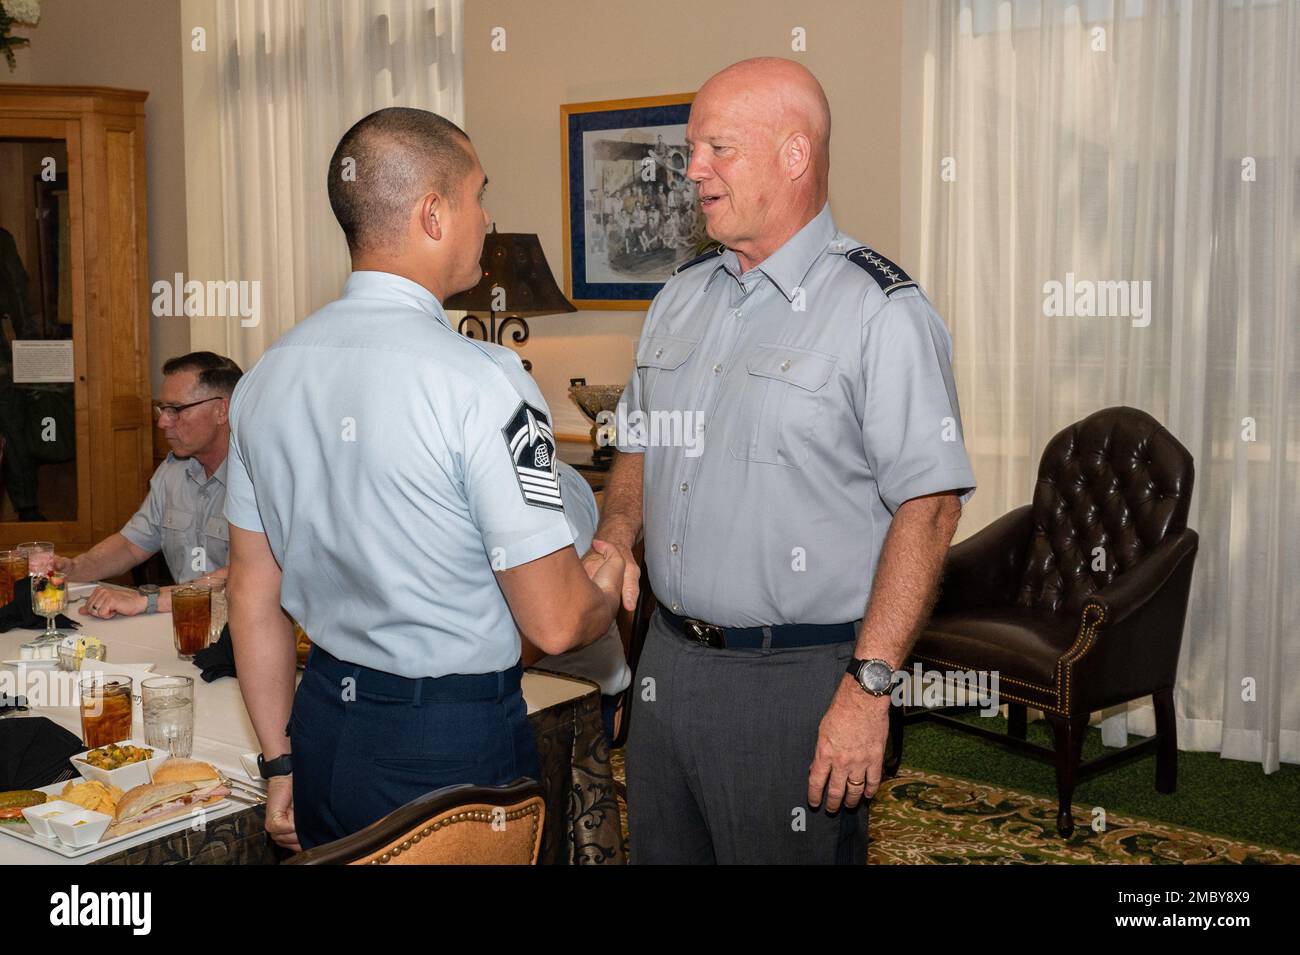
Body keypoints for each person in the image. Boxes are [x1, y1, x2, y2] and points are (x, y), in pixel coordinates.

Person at [596, 57, 977, 864]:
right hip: (667, 662)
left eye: (716, 149)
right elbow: (638, 441)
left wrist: (869, 689)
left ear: (795, 155)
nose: (690, 168)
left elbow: (932, 506)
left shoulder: (881, 312)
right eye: (691, 148)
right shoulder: (678, 297)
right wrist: (617, 531)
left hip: (795, 677)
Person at [223, 107, 626, 852]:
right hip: (446, 743)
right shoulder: (485, 381)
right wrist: (607, 578)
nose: (488, 215)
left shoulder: (266, 376)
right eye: (479, 193)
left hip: (321, 725)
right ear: (433, 213)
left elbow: (251, 593)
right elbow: (557, 622)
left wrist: (279, 759)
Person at [55, 352, 243, 618]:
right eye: (162, 409)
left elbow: (247, 572)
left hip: (242, 631)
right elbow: (131, 545)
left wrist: (148, 600)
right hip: (183, 622)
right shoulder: (172, 472)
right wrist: (74, 569)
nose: (163, 421)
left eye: (176, 410)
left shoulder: (258, 477)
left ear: (221, 410)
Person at [528, 462, 632, 742]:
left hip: (565, 708)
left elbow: (556, 628)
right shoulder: (567, 475)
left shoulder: (529, 489)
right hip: (600, 691)